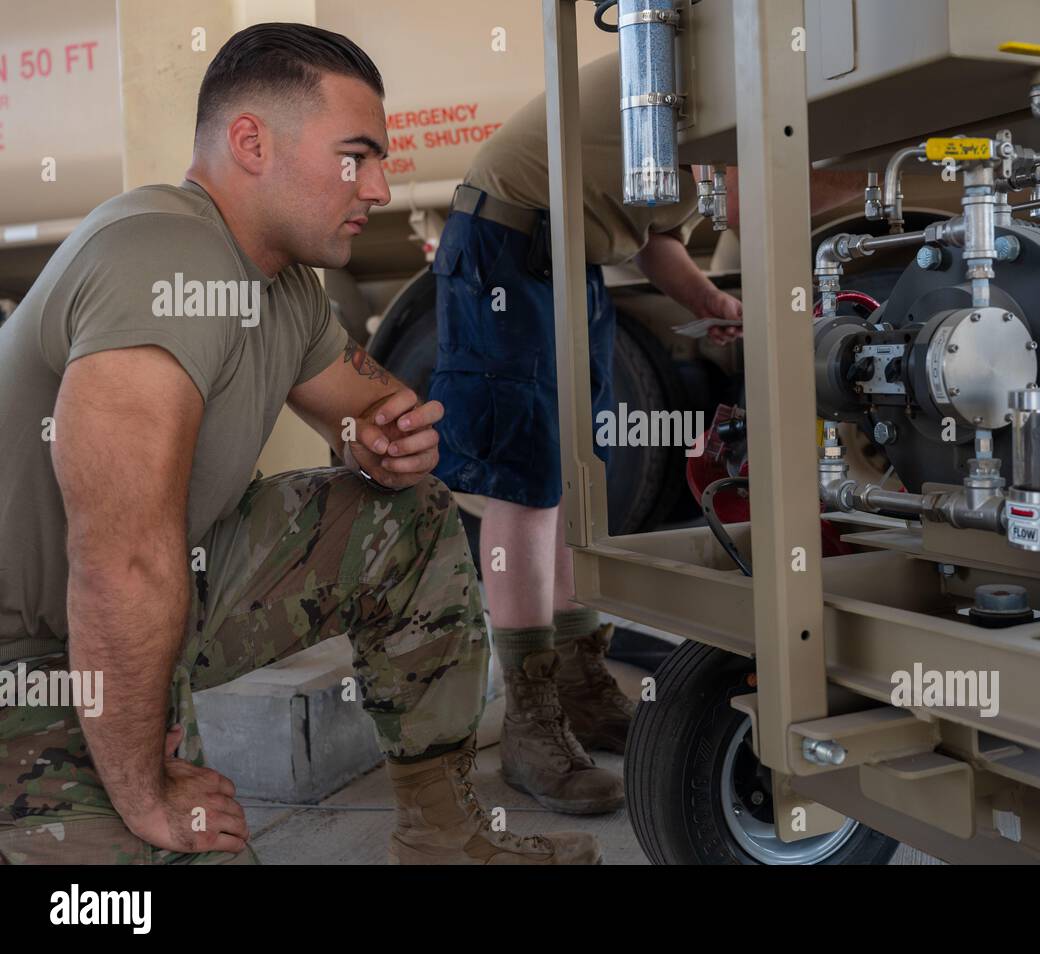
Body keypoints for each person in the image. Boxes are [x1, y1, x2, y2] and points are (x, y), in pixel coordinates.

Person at [0, 23, 599, 865]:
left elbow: (378, 407)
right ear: (251, 142)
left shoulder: (279, 285)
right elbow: (119, 564)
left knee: (407, 516)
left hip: (149, 597)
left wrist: (384, 441)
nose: (383, 187)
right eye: (358, 156)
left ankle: (444, 837)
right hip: (32, 652)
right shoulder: (161, 263)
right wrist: (148, 797)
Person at [428, 53, 743, 815]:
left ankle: (581, 685)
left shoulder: (689, 75)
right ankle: (531, 727)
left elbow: (649, 234)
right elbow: (751, 196)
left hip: (571, 258)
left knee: (578, 477)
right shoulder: (693, 55)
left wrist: (713, 304)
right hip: (510, 249)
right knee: (528, 484)